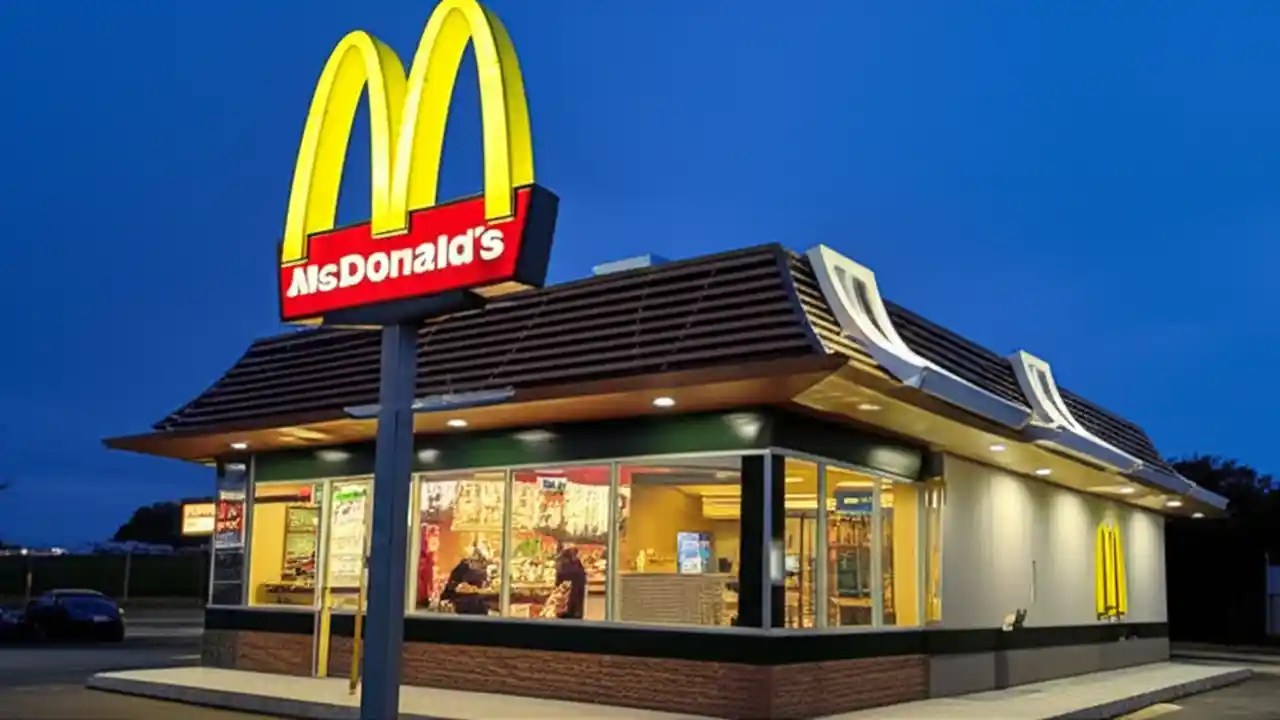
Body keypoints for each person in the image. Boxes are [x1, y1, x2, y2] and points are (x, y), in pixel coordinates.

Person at [441, 546, 491, 615]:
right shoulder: (463, 568)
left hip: (470, 601)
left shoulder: (481, 571)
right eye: (481, 562)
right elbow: (454, 587)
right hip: (459, 601)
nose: (483, 565)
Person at [554, 546, 587, 620]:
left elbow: (558, 578)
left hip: (565, 597)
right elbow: (583, 579)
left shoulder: (562, 563)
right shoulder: (577, 563)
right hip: (576, 600)